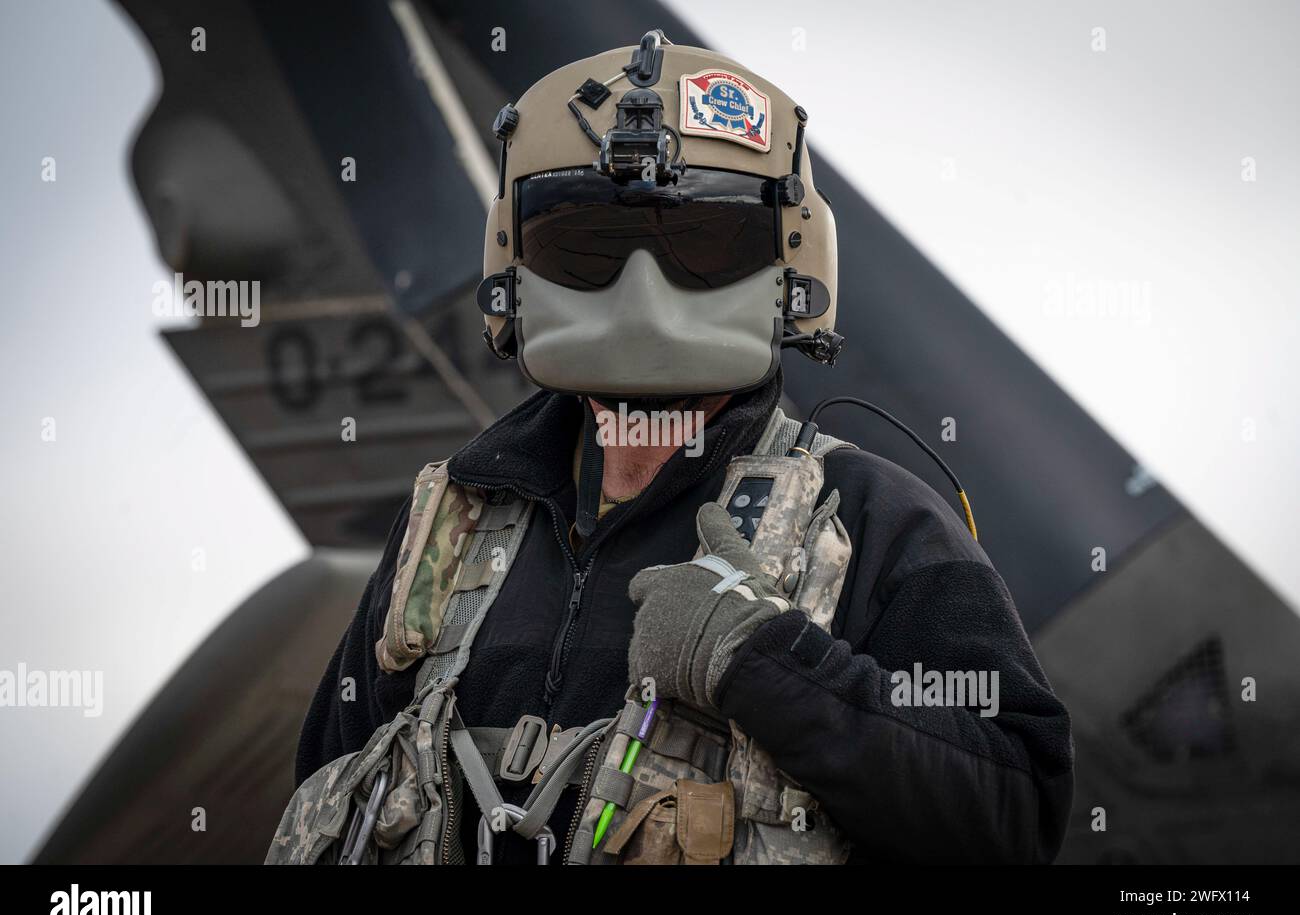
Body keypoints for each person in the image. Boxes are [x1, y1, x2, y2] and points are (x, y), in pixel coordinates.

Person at [285, 31, 1073, 865]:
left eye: (703, 243)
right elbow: (326, 796)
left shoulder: (871, 522)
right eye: (587, 242)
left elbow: (1016, 809)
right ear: (513, 265)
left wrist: (766, 662)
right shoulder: (447, 529)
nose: (643, 291)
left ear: (791, 269)